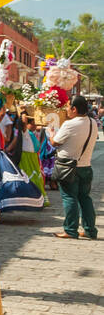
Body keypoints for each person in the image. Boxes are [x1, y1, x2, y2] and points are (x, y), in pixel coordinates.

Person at [51, 94, 98, 240]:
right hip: (86, 166)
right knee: (85, 198)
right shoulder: (92, 122)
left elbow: (55, 142)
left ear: (74, 109)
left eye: (68, 107)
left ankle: (71, 230)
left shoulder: (70, 124)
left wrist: (51, 133)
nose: (66, 110)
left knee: (69, 198)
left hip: (68, 166)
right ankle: (90, 230)